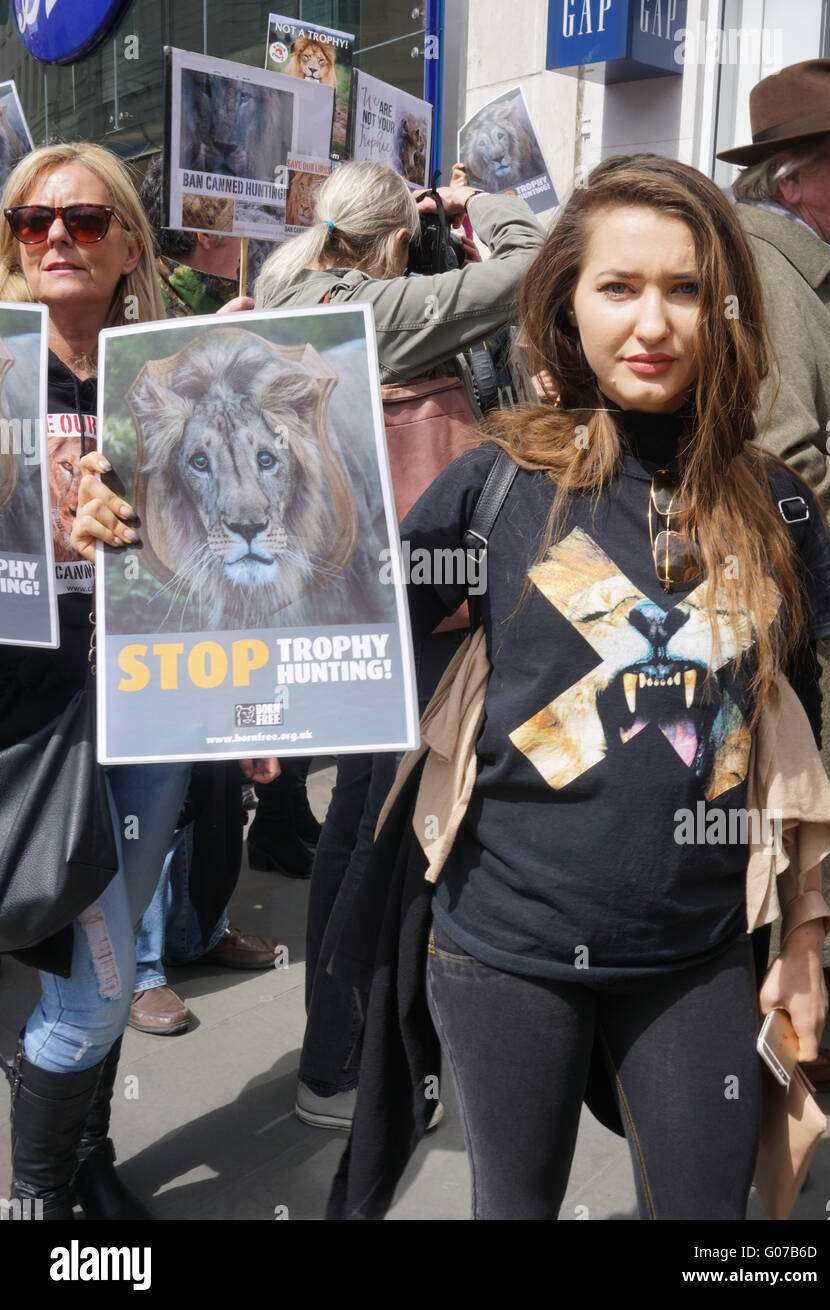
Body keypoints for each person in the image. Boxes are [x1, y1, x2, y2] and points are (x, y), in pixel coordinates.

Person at [333, 154, 830, 1219]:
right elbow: (330, 618)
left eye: (684, 289)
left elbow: (790, 750)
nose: (651, 322)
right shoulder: (493, 483)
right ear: (566, 304)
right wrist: (138, 511)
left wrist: (805, 939)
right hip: (502, 948)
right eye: (619, 287)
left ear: (728, 310)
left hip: (698, 954)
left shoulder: (779, 507)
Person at [0, 142, 278, 1220]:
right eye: (32, 221)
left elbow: (236, 536)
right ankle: (37, 1200)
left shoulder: (173, 375)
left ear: (127, 242)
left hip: (155, 700)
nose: (57, 236)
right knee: (97, 984)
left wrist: (258, 695)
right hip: (34, 718)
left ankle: (88, 1158)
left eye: (83, 218)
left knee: (98, 980)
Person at [249, 158, 545, 1127]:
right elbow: (538, 257)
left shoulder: (283, 287)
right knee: (388, 836)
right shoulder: (385, 303)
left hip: (335, 592)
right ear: (386, 234)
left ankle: (346, 1052)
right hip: (413, 605)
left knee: (357, 827)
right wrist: (473, 203)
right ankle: (344, 1066)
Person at [718, 58, 830, 1061]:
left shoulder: (827, 268)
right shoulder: (766, 273)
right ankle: (775, 1048)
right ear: (791, 180)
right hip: (814, 615)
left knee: (825, 831)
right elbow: (784, 460)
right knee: (794, 829)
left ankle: (807, 1017)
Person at [127, 155, 282, 1039]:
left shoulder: (205, 306)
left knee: (219, 782)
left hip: (221, 588)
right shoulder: (122, 322)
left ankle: (201, 927)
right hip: (145, 596)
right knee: (158, 789)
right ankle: (144, 962)